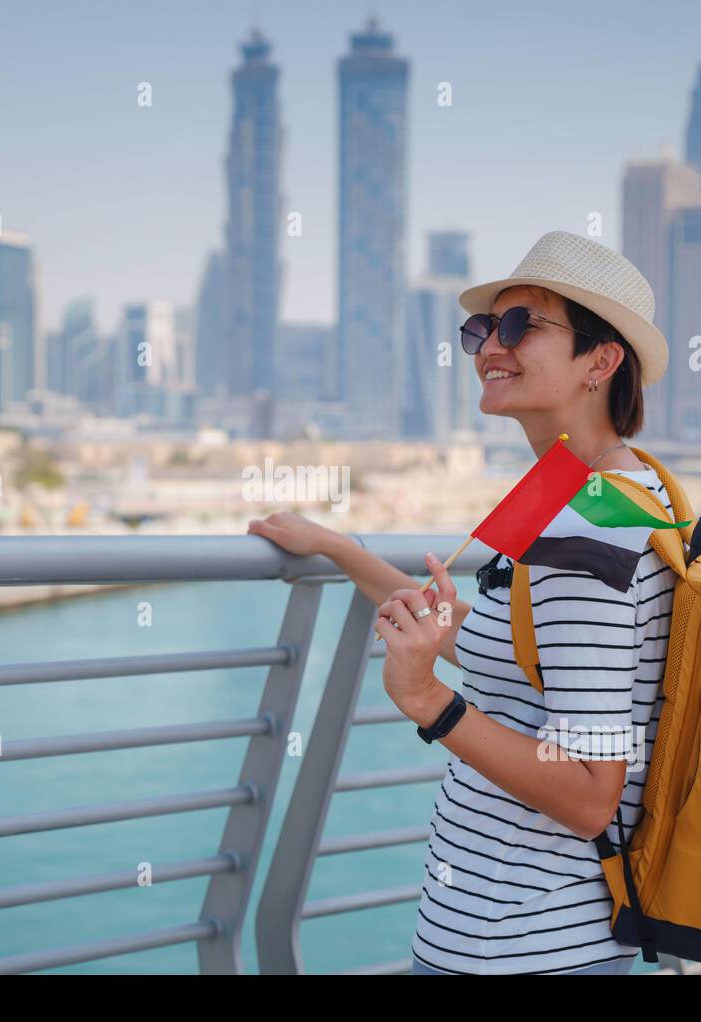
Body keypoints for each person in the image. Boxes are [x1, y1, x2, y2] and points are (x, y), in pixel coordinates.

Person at [248, 231, 678, 974]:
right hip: (504, 937)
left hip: (521, 945)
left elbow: (588, 793)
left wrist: (429, 703)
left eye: (520, 327)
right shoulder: (591, 487)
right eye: (482, 329)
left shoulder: (592, 520)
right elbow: (528, 654)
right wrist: (345, 549)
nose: (489, 347)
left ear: (602, 361)